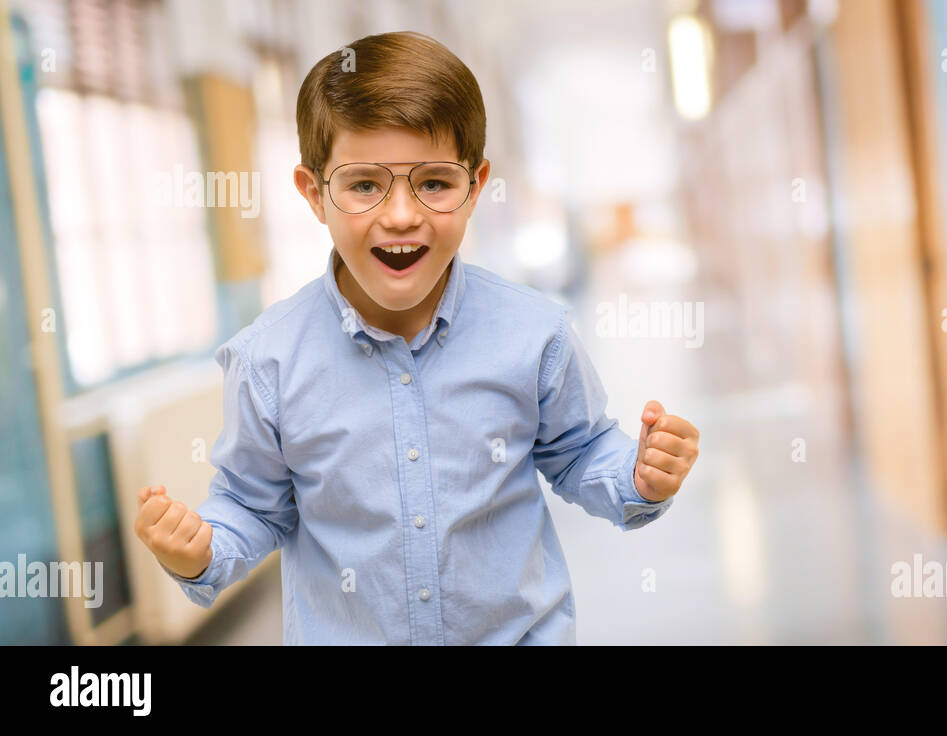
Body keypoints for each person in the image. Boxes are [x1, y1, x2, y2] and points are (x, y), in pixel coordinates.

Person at [132, 31, 699, 645]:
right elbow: (252, 505)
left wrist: (636, 475)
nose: (401, 215)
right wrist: (202, 549)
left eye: (433, 183)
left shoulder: (536, 334)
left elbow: (580, 451)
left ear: (475, 186)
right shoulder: (267, 360)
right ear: (313, 193)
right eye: (364, 185)